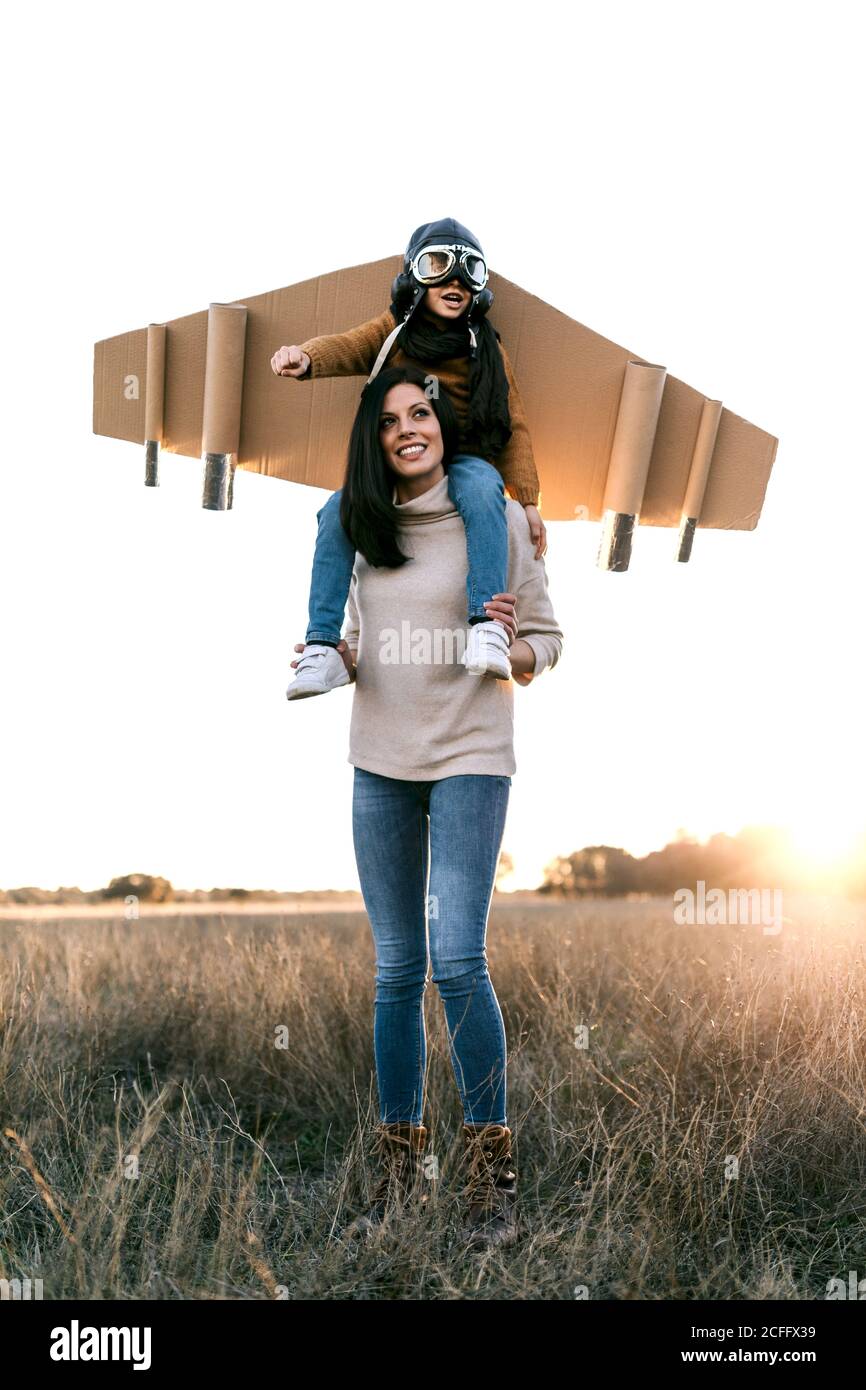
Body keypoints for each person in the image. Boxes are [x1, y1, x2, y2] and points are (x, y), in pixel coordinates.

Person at [288, 364, 564, 1248]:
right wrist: (335, 652)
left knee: (456, 959)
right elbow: (365, 639)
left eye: (423, 412)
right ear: (374, 439)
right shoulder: (363, 527)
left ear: (444, 424)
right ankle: (398, 1178)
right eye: (391, 419)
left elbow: (549, 642)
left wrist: (516, 654)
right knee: (397, 970)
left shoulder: (501, 518)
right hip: (381, 764)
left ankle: (491, 1186)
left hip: (473, 756)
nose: (410, 428)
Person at [273, 217, 548, 697]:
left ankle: (486, 625)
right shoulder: (395, 332)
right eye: (437, 265)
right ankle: (321, 646)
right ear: (414, 275)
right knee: (338, 508)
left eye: (470, 274)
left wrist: (527, 500)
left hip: (464, 458)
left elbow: (514, 421)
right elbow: (349, 346)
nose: (454, 282)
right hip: (400, 459)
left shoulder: (484, 346)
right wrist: (308, 357)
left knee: (485, 491)